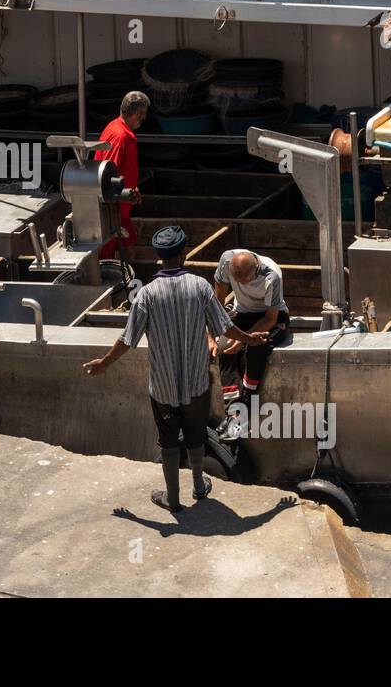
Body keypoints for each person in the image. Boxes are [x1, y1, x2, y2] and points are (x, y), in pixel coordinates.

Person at [82, 227, 268, 513]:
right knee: (196, 435)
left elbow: (127, 339)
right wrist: (250, 338)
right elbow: (225, 327)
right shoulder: (200, 287)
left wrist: (105, 363)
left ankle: (173, 498)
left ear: (160, 257)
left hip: (163, 389)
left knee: (168, 441)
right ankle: (197, 486)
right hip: (197, 385)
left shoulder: (146, 295)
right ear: (182, 254)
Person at [213, 249, 290, 420]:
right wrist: (216, 334)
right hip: (242, 313)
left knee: (257, 347)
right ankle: (233, 412)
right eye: (237, 281)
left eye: (245, 282)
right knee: (224, 348)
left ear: (256, 269)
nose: (242, 285)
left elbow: (270, 318)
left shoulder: (272, 276)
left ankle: (248, 399)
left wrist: (243, 340)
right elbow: (218, 303)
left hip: (271, 317)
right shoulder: (226, 261)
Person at [94, 91, 149, 260]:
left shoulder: (116, 128)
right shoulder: (121, 137)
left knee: (129, 244)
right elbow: (107, 178)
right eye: (143, 114)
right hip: (111, 210)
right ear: (138, 114)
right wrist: (124, 194)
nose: (144, 119)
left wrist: (130, 190)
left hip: (120, 208)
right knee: (106, 255)